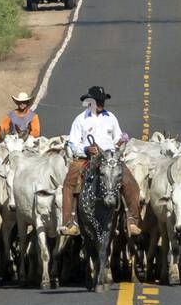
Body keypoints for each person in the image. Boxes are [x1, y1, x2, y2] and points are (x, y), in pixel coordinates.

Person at [59, 86, 141, 238]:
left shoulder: (111, 117)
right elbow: (72, 143)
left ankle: (132, 220)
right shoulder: (80, 119)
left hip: (110, 158)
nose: (101, 103)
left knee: (131, 183)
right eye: (98, 101)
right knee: (69, 184)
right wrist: (86, 149)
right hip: (87, 158)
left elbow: (118, 137)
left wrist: (120, 142)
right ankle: (69, 222)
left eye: (102, 100)